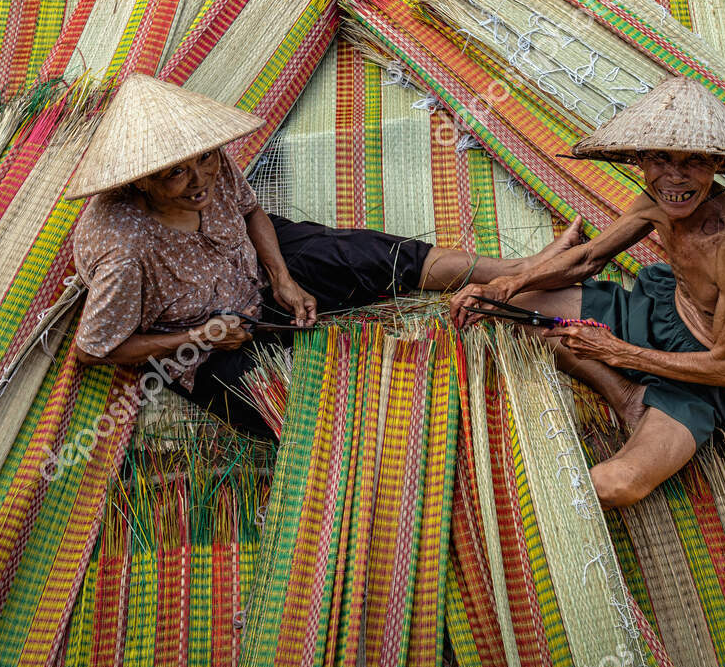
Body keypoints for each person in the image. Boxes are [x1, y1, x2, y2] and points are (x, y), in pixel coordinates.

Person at [65, 73, 584, 436]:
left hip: (250, 262)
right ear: (139, 182)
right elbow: (93, 349)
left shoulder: (204, 165)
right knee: (292, 404)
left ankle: (524, 268)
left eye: (203, 161)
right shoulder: (126, 251)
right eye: (175, 175)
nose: (198, 179)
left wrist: (283, 279)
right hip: (202, 332)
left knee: (361, 254)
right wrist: (200, 336)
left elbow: (251, 214)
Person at [451, 77, 725, 510]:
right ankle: (626, 394)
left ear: (717, 165)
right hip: (660, 315)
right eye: (660, 159)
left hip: (703, 376)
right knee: (507, 310)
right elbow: (589, 257)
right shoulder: (658, 197)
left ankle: (634, 393)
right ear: (640, 160)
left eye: (694, 162)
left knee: (612, 486)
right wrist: (509, 284)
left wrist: (616, 352)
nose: (674, 176)